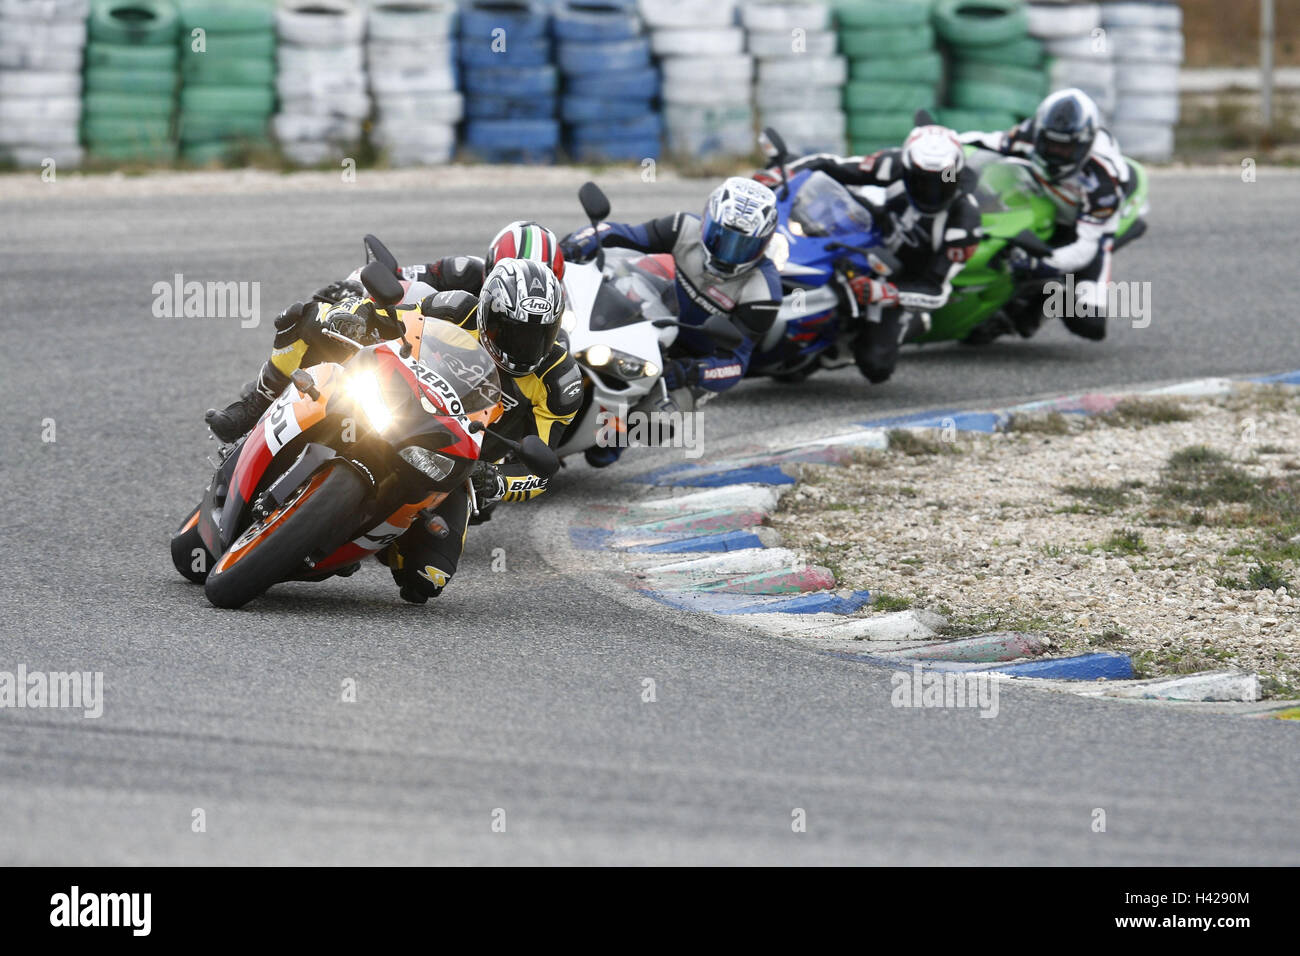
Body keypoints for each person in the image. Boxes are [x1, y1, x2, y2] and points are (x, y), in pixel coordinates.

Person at [206, 257, 580, 605]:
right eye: (509, 330)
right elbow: (390, 318)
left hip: (457, 462)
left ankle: (363, 537)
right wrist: (355, 317)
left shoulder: (560, 383)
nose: (523, 346)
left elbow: (540, 469)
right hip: (398, 402)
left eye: (537, 335)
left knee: (425, 580)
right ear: (487, 312)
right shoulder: (455, 308)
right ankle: (253, 409)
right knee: (307, 318)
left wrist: (496, 480)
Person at [204, 220, 566, 442]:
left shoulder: (555, 339)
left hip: (483, 421)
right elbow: (401, 280)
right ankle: (254, 406)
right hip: (430, 348)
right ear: (491, 268)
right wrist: (351, 299)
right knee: (310, 318)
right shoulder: (461, 278)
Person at [560, 176, 781, 467]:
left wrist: (691, 372)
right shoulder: (683, 227)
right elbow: (621, 234)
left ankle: (615, 436)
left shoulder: (763, 290)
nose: (727, 253)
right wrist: (574, 245)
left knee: (655, 423)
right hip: (649, 317)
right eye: (721, 236)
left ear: (764, 245)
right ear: (706, 221)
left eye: (742, 246)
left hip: (690, 357)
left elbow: (736, 363)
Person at [756, 123, 982, 383]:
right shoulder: (893, 164)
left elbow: (937, 290)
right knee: (799, 175)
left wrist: (884, 292)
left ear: (956, 172)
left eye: (944, 180)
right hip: (871, 236)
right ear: (908, 170)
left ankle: (865, 335)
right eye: (922, 181)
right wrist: (781, 173)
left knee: (876, 365)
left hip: (901, 280)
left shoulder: (964, 223)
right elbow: (830, 165)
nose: (932, 190)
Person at [959, 87, 1138, 342]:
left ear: (1083, 144)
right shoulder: (1030, 134)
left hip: (1086, 227)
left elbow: (1085, 248)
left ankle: (1044, 298)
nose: (1056, 153)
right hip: (1043, 197)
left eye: (1065, 149)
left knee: (1089, 324)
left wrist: (1043, 266)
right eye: (1051, 144)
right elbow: (987, 142)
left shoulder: (1103, 180)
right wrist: (943, 144)